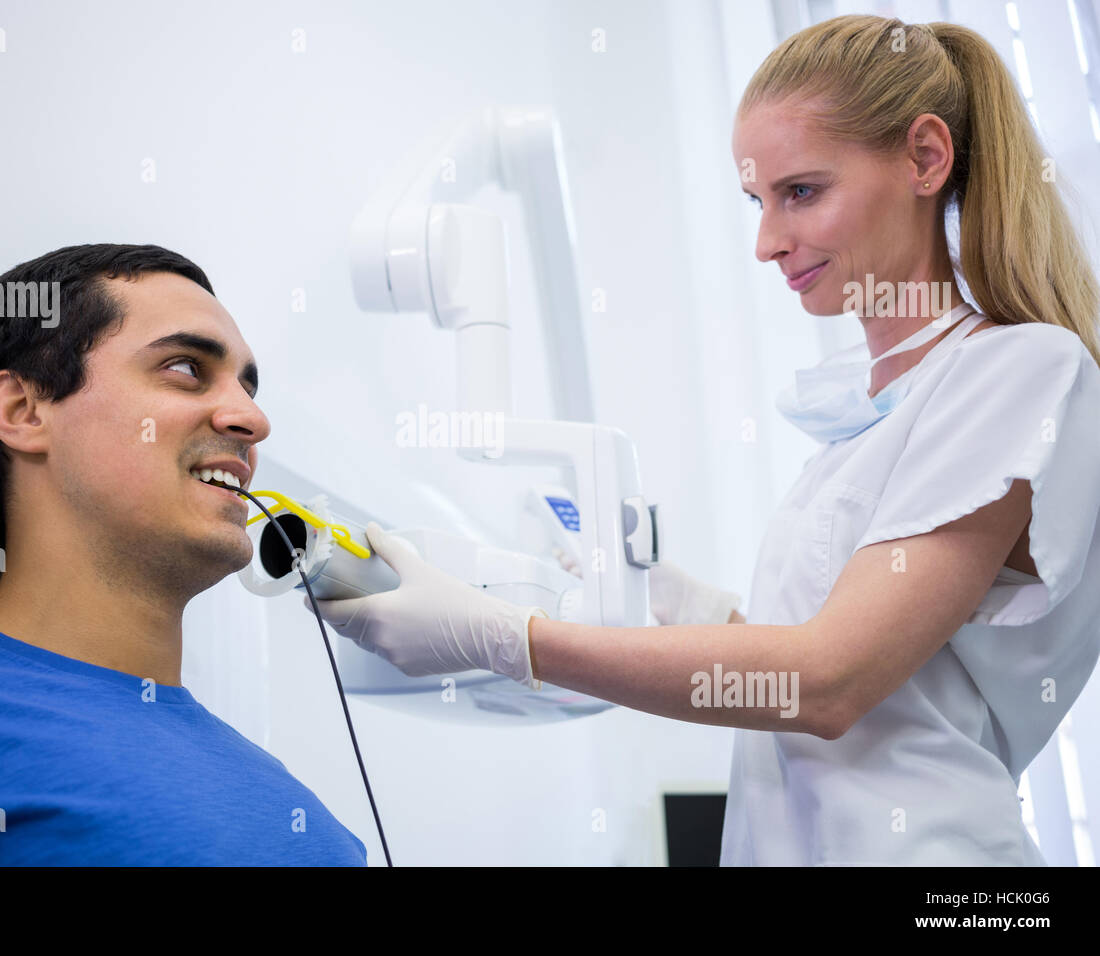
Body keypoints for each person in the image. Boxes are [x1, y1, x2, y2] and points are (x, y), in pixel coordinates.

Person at [311, 15, 1100, 865]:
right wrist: (679, 603)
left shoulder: (1019, 370)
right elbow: (850, 658)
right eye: (758, 202)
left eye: (801, 192)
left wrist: (508, 639)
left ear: (925, 158)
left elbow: (829, 680)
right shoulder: (865, 419)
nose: (767, 242)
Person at [0, 243, 367, 865]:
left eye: (248, 387)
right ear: (21, 410)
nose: (252, 419)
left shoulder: (313, 827)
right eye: (184, 368)